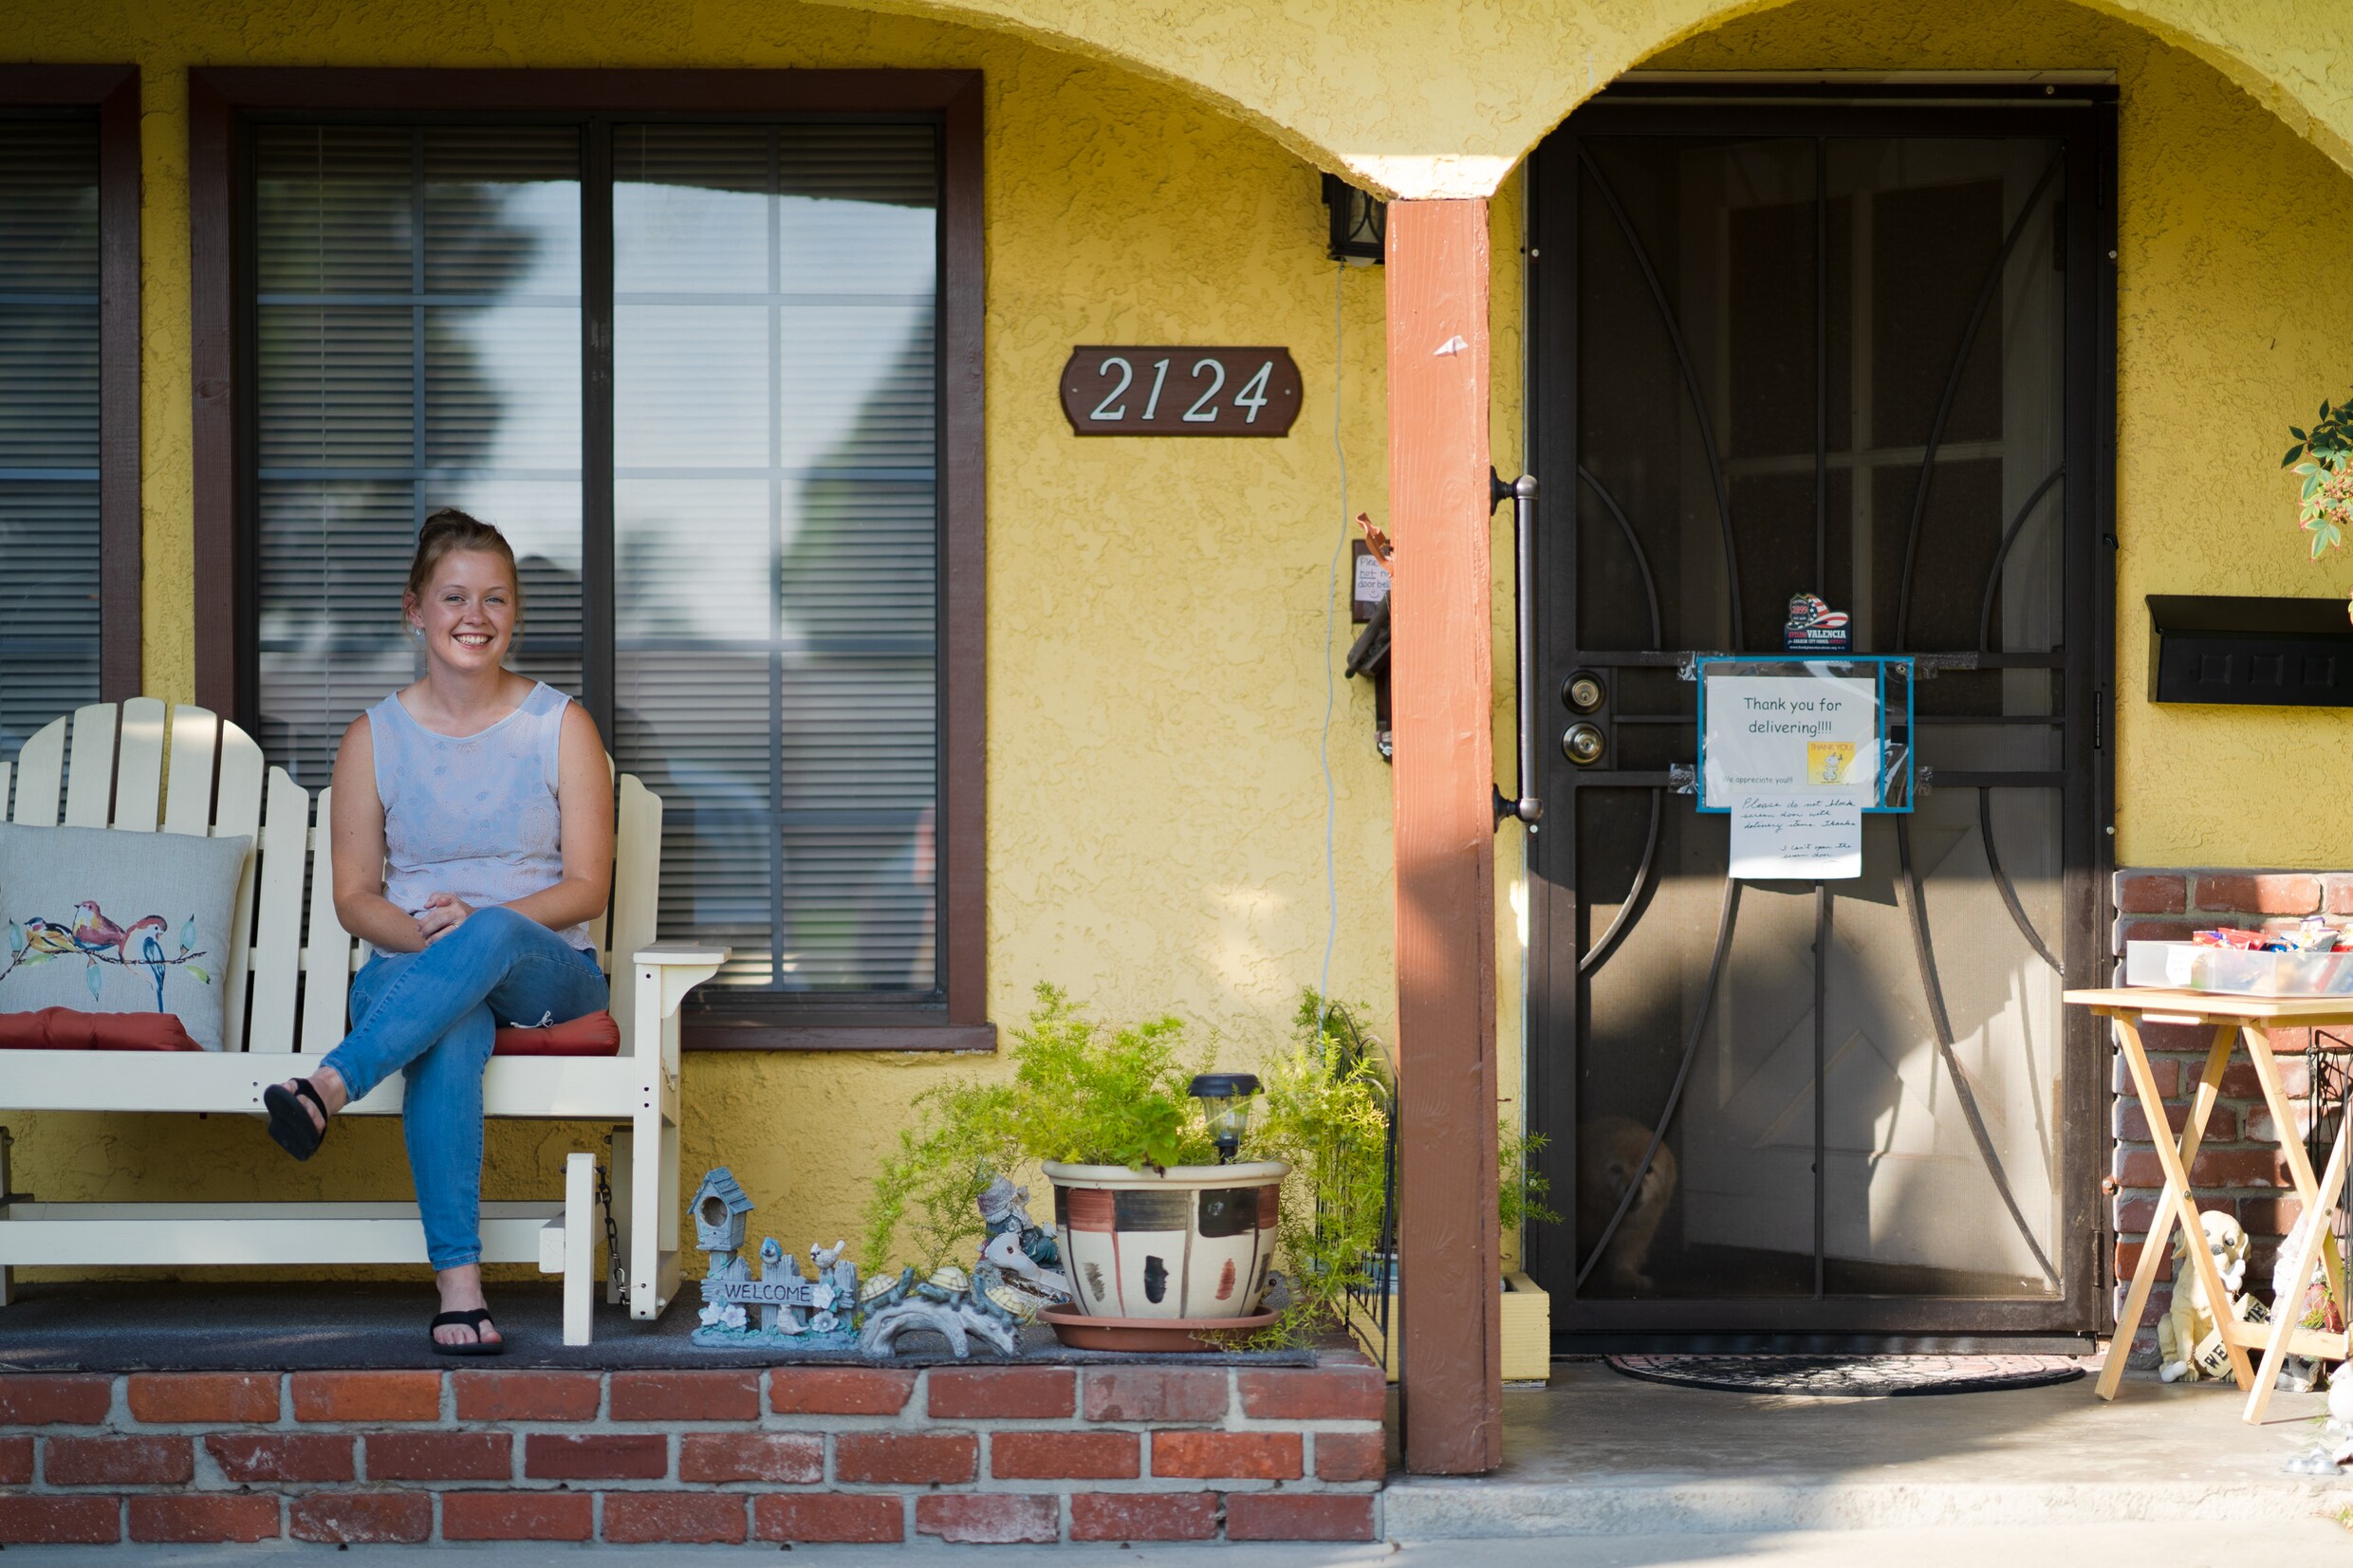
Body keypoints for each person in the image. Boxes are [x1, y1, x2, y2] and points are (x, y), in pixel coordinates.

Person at [262, 509, 615, 1356]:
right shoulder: (371, 738)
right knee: (454, 1021)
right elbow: (355, 896)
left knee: (489, 931)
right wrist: (442, 948)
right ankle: (461, 1292)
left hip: (547, 972)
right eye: (454, 595)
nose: (476, 615)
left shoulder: (559, 727)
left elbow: (588, 887)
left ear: (516, 614)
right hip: (415, 966)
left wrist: (483, 930)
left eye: (496, 598)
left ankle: (330, 1086)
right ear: (413, 609)